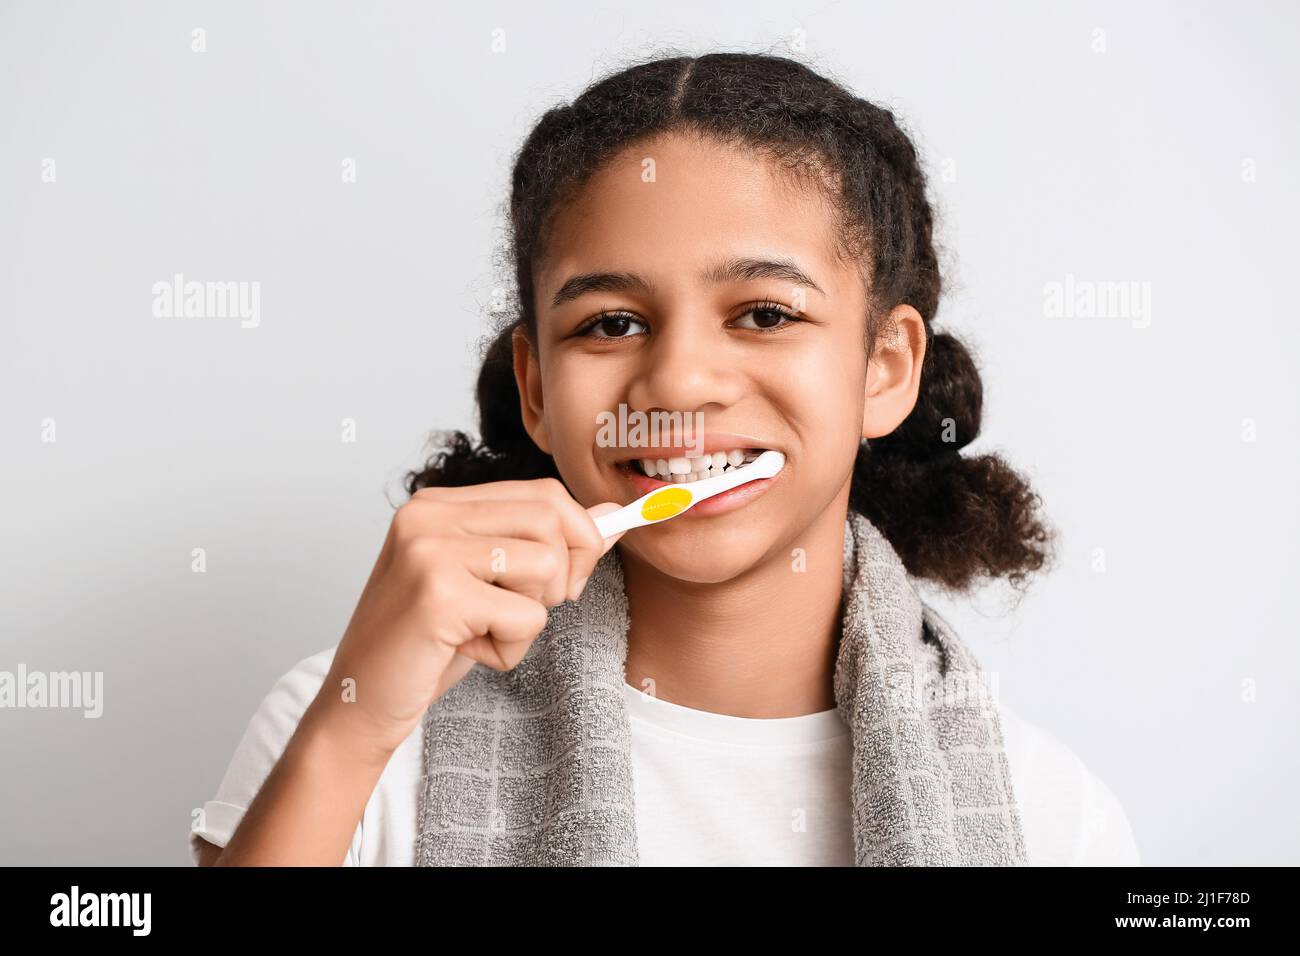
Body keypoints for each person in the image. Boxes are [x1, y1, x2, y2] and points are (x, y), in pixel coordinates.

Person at [191, 51, 1139, 866]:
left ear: (884, 369)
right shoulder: (345, 732)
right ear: (536, 390)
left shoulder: (1053, 817)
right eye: (612, 323)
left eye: (765, 314)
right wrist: (353, 732)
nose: (680, 382)